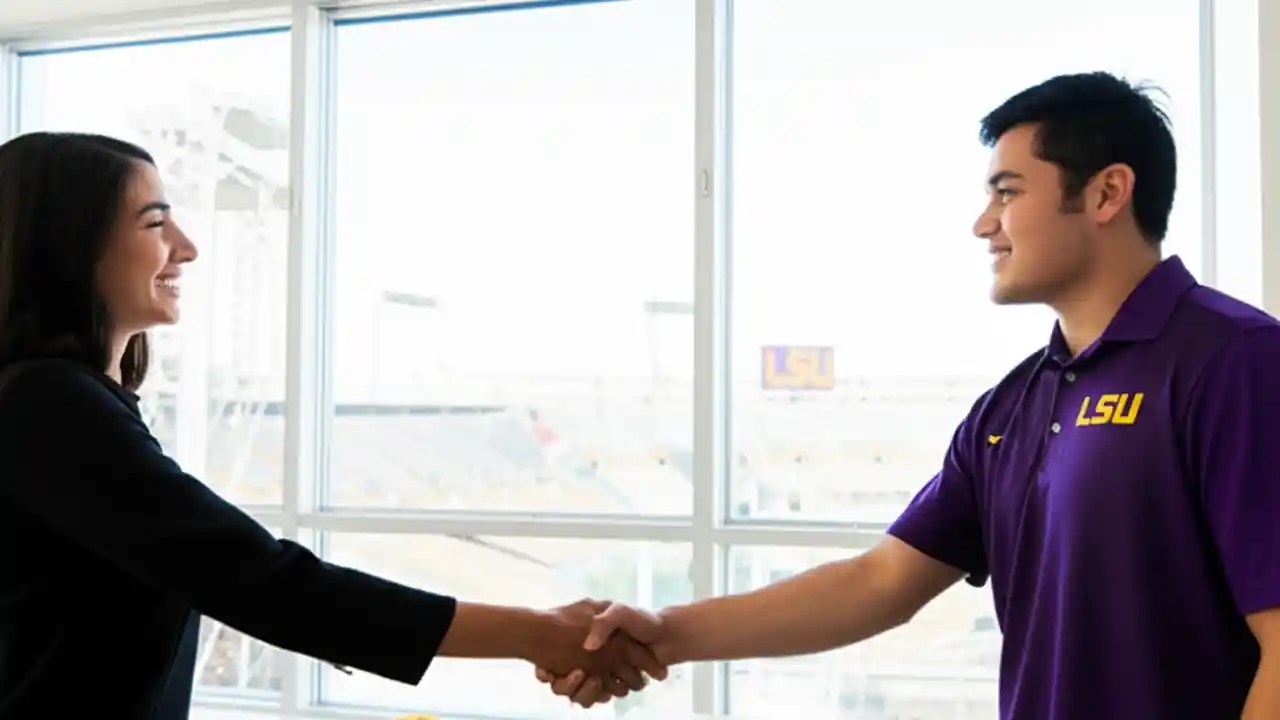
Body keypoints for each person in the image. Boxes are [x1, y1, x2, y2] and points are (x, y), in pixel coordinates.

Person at [538, 72, 1280, 719]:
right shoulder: (1013, 406)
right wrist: (663, 631)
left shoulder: (1235, 362)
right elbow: (879, 583)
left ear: (1107, 193)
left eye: (1008, 192)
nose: (983, 224)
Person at [0, 131, 665, 719]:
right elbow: (257, 578)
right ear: (71, 247)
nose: (188, 248)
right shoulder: (48, 405)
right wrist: (537, 632)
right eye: (154, 224)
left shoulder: (70, 402)